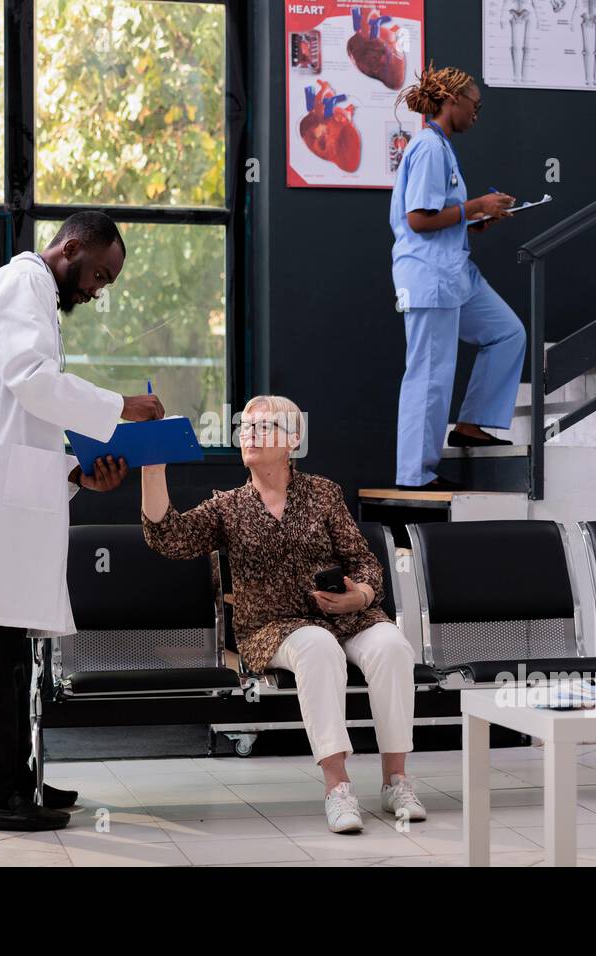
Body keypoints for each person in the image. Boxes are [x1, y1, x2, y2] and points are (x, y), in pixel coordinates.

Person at [0, 211, 164, 832]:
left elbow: (20, 424)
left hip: (4, 506)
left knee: (10, 653)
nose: (97, 289)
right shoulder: (21, 287)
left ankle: (15, 780)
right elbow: (32, 382)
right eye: (98, 273)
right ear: (69, 248)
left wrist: (77, 473)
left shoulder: (34, 299)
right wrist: (121, 405)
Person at [140, 395, 426, 834]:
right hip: (274, 627)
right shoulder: (228, 506)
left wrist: (362, 594)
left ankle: (396, 780)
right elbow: (169, 538)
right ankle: (338, 786)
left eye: (265, 426)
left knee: (392, 645)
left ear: (293, 440)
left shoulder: (324, 493)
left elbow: (365, 562)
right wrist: (152, 468)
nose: (250, 433)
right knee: (317, 647)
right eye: (246, 427)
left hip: (346, 616)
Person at [391, 62, 527, 491]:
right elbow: (417, 219)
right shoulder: (429, 147)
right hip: (430, 276)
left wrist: (474, 220)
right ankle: (415, 476)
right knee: (429, 374)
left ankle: (471, 424)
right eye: (475, 106)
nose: (476, 115)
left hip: (454, 273)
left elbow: (439, 216)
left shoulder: (442, 147)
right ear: (453, 100)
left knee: (507, 333)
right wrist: (475, 207)